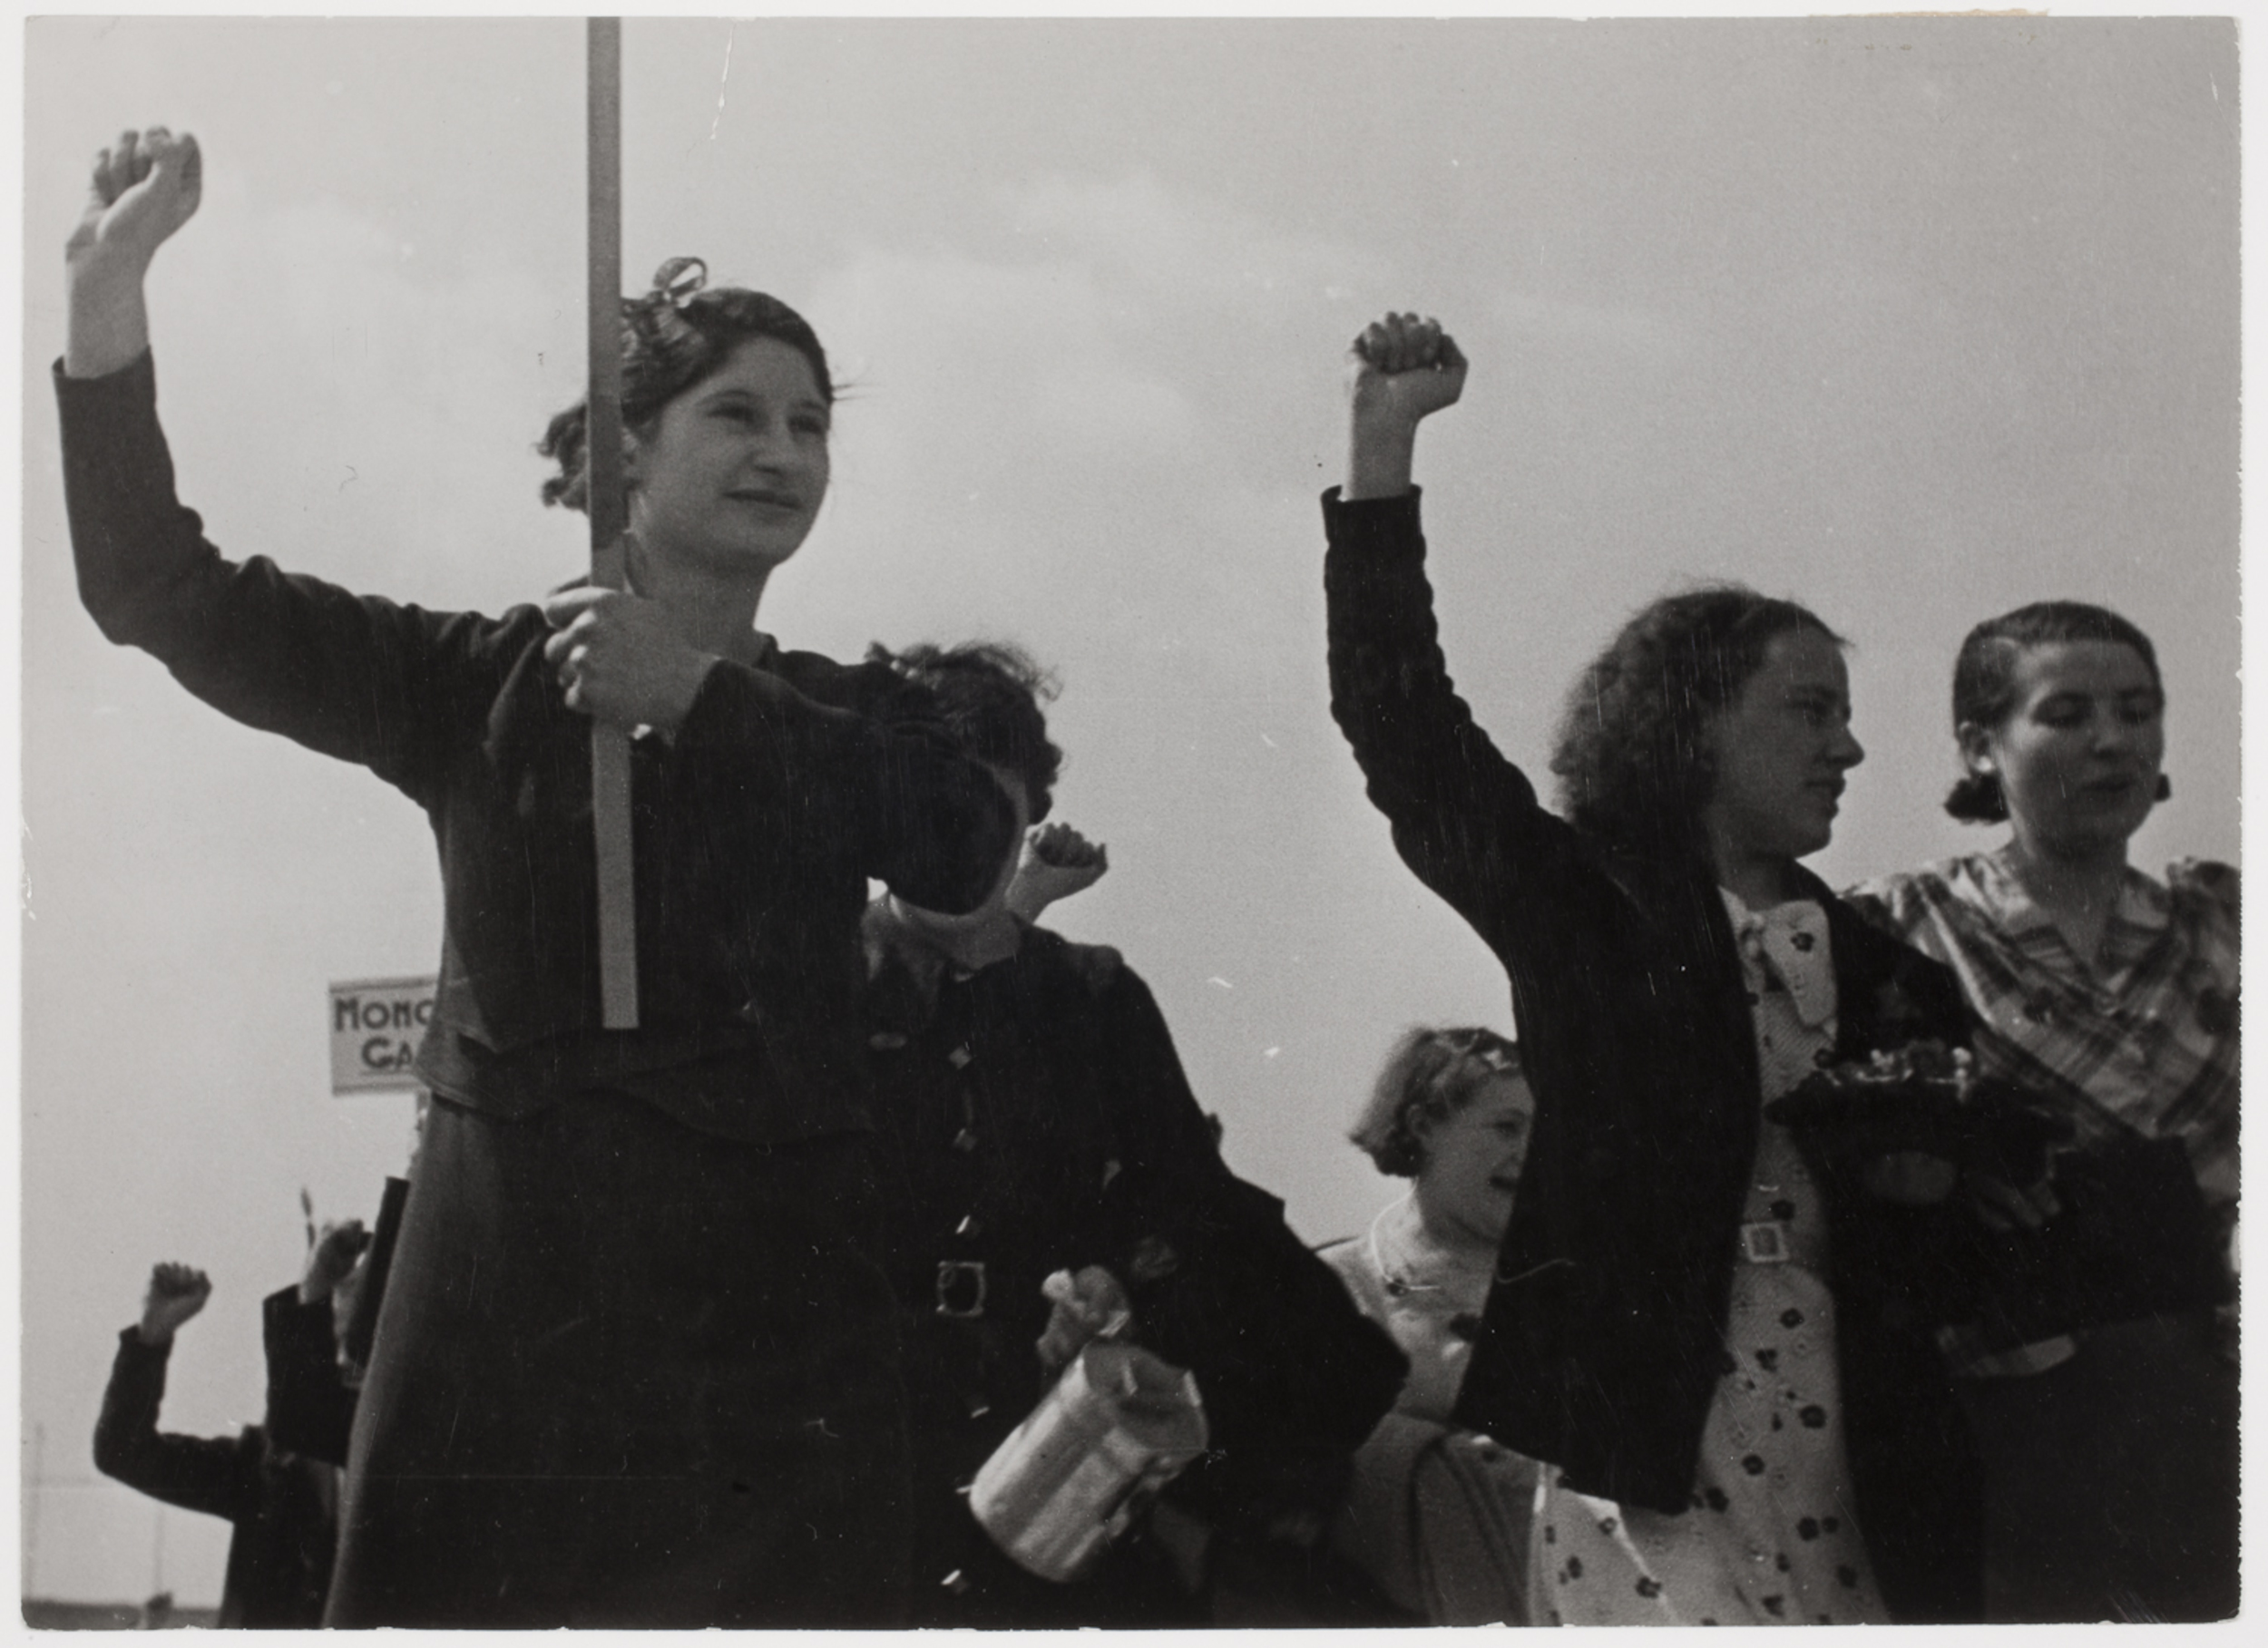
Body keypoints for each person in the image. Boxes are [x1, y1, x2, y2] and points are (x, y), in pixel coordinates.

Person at [57, 128, 1016, 1627]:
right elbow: (154, 588)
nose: (782, 451)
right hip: (499, 1342)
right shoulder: (472, 684)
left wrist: (696, 692)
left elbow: (968, 848)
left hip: (773, 1354)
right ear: (632, 452)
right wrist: (106, 299)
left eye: (811, 424)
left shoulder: (852, 715)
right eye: (739, 414)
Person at [1321, 312, 1993, 1624]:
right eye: (1809, 711)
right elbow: (1400, 719)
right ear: (1688, 727)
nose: (1848, 752)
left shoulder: (1883, 965)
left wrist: (1932, 1190)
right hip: (1648, 1457)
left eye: (1848, 721)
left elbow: (1983, 1234)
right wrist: (1384, 444)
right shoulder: (1586, 909)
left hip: (1866, 1459)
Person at [856, 642, 1409, 1627]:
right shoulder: (818, 974)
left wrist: (1117, 1281)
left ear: (1028, 808)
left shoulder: (1091, 994)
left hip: (1058, 1450)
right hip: (858, 1442)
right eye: (924, 807)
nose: (955, 837)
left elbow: (1190, 1200)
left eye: (985, 807)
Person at [1843, 602, 2239, 1622]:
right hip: (2008, 1407)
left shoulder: (2222, 921)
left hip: (2220, 1385)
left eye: (2136, 709)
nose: (2112, 738)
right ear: (1980, 742)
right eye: (2064, 712)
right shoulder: (1894, 928)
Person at [1320, 1026, 1541, 1625]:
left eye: (1542, 1129)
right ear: (1421, 1126)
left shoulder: (1575, 1281)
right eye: (1506, 1126)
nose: (1532, 1149)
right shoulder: (1335, 1284)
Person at [93, 1232, 368, 1628]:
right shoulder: (270, 1465)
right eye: (336, 1306)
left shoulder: (425, 1455)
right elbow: (122, 1452)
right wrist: (151, 1337)